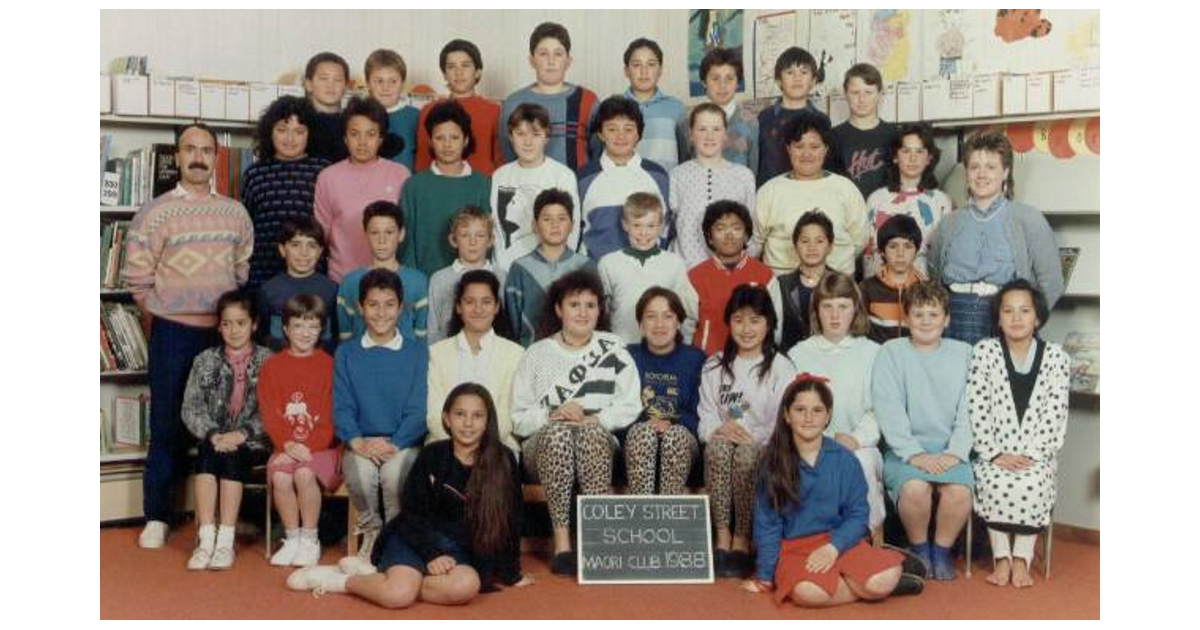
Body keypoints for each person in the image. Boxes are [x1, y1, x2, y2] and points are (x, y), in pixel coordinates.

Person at [122, 123, 254, 549]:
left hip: (224, 335)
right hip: (174, 332)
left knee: (223, 422)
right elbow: (137, 281)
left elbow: (242, 269)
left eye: (205, 149)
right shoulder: (155, 212)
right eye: (189, 149)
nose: (198, 156)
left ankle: (218, 519)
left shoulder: (235, 212)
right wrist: (165, 312)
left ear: (215, 157)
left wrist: (228, 321)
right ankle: (158, 516)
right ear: (176, 156)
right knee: (166, 424)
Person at [288, 384, 533, 604]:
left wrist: (512, 573)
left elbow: (513, 519)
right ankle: (338, 581)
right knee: (398, 595)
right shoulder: (432, 455)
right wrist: (432, 554)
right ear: (447, 419)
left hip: (461, 551)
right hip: (416, 538)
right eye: (460, 414)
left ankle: (383, 578)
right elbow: (412, 515)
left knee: (467, 586)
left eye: (477, 416)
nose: (468, 423)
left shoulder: (504, 460)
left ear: (488, 421)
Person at [744, 376, 925, 607]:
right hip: (794, 549)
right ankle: (868, 586)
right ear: (786, 415)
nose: (808, 418)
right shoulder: (772, 463)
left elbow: (858, 515)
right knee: (808, 594)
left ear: (828, 416)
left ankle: (876, 581)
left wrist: (833, 548)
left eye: (817, 410)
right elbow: (767, 525)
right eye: (800, 409)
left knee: (883, 579)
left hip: (840, 542)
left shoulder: (845, 459)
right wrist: (765, 577)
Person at [510, 270, 641, 576]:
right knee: (558, 435)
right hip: (543, 447)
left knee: (590, 435)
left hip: (596, 439)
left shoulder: (612, 347)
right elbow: (518, 417)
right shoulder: (537, 353)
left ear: (600, 310)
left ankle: (597, 543)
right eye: (574, 304)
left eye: (590, 305)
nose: (583, 312)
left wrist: (594, 419)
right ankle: (562, 545)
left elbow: (631, 403)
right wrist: (551, 415)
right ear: (558, 309)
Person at [968, 279, 1070, 589]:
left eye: (1024, 311)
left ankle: (1023, 559)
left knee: (1032, 481)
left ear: (1037, 317)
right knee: (995, 479)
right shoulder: (984, 352)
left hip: (1036, 454)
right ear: (998, 317)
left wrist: (1031, 455)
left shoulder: (1056, 358)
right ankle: (1002, 558)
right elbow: (977, 406)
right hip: (994, 451)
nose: (1016, 318)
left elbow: (1056, 413)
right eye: (1008, 311)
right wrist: (995, 453)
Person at [872, 281, 974, 580]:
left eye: (933, 314)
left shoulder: (965, 353)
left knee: (958, 493)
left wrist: (955, 453)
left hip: (951, 451)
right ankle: (919, 550)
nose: (926, 321)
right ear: (906, 318)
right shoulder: (891, 352)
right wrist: (914, 454)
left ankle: (941, 551)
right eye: (918, 314)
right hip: (906, 451)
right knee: (916, 489)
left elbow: (970, 410)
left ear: (947, 319)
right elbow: (888, 409)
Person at [928, 131, 1063, 345]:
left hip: (1004, 319)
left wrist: (1023, 324)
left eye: (991, 167)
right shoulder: (948, 224)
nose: (981, 174)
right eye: (974, 167)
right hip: (954, 320)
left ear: (1006, 171)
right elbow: (933, 279)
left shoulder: (1028, 218)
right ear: (966, 173)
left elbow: (1052, 283)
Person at [698, 285, 796, 578]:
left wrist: (750, 437)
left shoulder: (781, 367)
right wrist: (719, 429)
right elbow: (704, 419)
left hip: (763, 448)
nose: (747, 328)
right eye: (739, 319)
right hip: (722, 445)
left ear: (769, 324)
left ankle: (742, 538)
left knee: (745, 454)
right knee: (717, 448)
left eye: (755, 320)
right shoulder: (714, 366)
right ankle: (722, 536)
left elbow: (783, 421)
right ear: (729, 322)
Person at [334, 269, 429, 566]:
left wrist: (395, 443)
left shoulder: (416, 353)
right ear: (360, 307)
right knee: (360, 473)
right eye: (373, 305)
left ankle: (395, 537)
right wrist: (357, 441)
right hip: (361, 442)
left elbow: (418, 409)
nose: (381, 313)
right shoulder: (347, 353)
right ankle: (372, 531)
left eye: (389, 304)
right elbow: (342, 406)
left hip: (402, 442)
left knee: (393, 475)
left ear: (401, 308)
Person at [785, 273, 885, 533]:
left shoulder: (873, 353)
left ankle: (866, 536)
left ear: (856, 310)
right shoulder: (798, 354)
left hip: (858, 445)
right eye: (827, 306)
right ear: (816, 311)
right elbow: (794, 410)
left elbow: (879, 409)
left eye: (843, 307)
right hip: (811, 444)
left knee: (860, 462)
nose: (835, 315)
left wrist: (856, 439)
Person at [180, 290, 272, 570]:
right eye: (227, 324)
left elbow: (273, 411)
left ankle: (225, 540)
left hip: (253, 442)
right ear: (219, 326)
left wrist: (243, 433)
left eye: (241, 323)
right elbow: (191, 407)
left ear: (254, 324)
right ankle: (206, 537)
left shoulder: (269, 361)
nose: (234, 330)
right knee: (209, 451)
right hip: (214, 438)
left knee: (232, 455)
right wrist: (213, 434)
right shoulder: (204, 360)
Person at [257, 294, 342, 567]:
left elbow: (332, 415)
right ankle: (292, 538)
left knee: (305, 472)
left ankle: (309, 538)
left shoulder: (329, 365)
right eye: (298, 326)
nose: (305, 333)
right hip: (285, 446)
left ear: (321, 329)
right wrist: (288, 446)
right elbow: (270, 413)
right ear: (285, 329)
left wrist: (307, 448)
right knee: (281, 479)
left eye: (312, 326)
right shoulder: (272, 366)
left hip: (323, 448)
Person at [753, 115, 868, 277]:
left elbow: (860, 240)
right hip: (782, 285)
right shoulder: (770, 191)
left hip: (836, 286)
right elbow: (755, 243)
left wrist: (831, 267)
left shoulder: (845, 188)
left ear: (826, 150)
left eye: (814, 147)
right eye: (799, 146)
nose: (806, 154)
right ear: (788, 149)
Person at [313, 96, 412, 283]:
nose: (362, 142)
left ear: (381, 138)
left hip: (388, 282)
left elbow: (405, 232)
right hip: (341, 280)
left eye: (371, 134)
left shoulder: (400, 174)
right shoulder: (328, 177)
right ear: (345, 138)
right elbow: (321, 235)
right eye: (355, 133)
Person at [426, 269, 524, 453]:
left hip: (497, 444)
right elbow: (433, 414)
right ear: (458, 307)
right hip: (444, 444)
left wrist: (481, 444)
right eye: (470, 302)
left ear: (496, 307)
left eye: (486, 302)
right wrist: (460, 445)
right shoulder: (437, 353)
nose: (478, 309)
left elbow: (509, 413)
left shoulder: (515, 354)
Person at [241, 95, 332, 294]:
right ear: (269, 132)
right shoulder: (254, 174)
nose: (290, 139)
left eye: (299, 132)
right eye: (282, 130)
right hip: (263, 274)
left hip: (311, 274)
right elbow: (246, 229)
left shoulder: (324, 171)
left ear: (310, 134)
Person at [625, 288, 706, 495]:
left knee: (674, 437)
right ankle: (641, 516)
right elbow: (618, 408)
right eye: (651, 317)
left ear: (678, 322)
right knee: (643, 434)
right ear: (640, 324)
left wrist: (672, 424)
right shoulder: (627, 356)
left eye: (668, 316)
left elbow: (703, 413)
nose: (659, 324)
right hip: (638, 440)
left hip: (682, 440)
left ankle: (669, 521)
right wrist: (646, 425)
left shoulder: (696, 359)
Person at [400, 99, 492, 277]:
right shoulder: (415, 186)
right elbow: (406, 243)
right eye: (440, 138)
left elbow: (487, 238)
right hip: (425, 279)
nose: (447, 145)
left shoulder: (482, 184)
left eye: (454, 137)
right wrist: (414, 283)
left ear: (465, 140)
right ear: (430, 141)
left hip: (472, 283)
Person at [491, 104, 582, 274]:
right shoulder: (500, 176)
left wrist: (560, 267)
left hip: (551, 270)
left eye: (536, 134)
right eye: (520, 134)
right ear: (510, 136)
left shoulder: (563, 175)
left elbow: (572, 228)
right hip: (506, 269)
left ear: (546, 136)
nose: (528, 142)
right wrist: (501, 268)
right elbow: (496, 227)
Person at [577, 95, 670, 261]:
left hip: (647, 271)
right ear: (600, 134)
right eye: (612, 129)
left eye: (628, 129)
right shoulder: (584, 177)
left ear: (638, 134)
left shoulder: (657, 175)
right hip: (595, 272)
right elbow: (575, 228)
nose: (621, 136)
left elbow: (666, 227)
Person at [498, 21, 598, 173]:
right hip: (527, 190)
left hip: (576, 192)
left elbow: (598, 152)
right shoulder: (514, 103)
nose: (551, 62)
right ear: (532, 60)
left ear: (568, 61)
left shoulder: (587, 100)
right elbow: (506, 154)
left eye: (558, 54)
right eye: (543, 54)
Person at [598, 193, 698, 343]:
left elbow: (687, 310)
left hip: (662, 348)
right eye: (637, 225)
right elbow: (600, 312)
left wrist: (684, 342)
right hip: (621, 347)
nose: (643, 233)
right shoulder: (608, 263)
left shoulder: (674, 264)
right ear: (625, 225)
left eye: (650, 226)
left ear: (661, 227)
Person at [687, 200, 780, 356]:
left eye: (736, 228)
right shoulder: (695, 277)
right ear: (709, 237)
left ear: (746, 235)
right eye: (720, 228)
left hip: (754, 363)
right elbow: (686, 328)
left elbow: (776, 328)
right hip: (705, 363)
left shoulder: (765, 275)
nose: (729, 235)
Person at [669, 103, 757, 267]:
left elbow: (750, 228)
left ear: (725, 134)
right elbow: (669, 225)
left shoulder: (743, 175)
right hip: (686, 269)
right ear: (691, 134)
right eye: (702, 129)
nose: (709, 136)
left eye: (716, 129)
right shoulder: (677, 175)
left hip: (730, 268)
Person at [503, 188, 595, 346]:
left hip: (579, 356)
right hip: (532, 354)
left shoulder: (586, 266)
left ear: (572, 225)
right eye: (547, 219)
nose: (555, 225)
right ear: (534, 225)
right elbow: (513, 325)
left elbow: (596, 318)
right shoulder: (520, 268)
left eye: (562, 219)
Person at [863, 123, 950, 278]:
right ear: (895, 157)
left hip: (924, 292)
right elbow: (869, 254)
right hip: (883, 289)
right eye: (906, 151)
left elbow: (944, 255)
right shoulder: (877, 199)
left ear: (929, 158)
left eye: (919, 151)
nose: (912, 158)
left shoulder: (941, 201)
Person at [337, 201, 429, 345]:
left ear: (401, 234)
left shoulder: (418, 282)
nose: (382, 240)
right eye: (375, 232)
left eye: (389, 232)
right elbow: (345, 336)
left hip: (405, 364)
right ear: (365, 234)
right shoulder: (350, 282)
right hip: (361, 362)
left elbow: (421, 337)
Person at [415, 39, 503, 175]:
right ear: (444, 74)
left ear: (478, 72)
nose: (458, 72)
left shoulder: (494, 111)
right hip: (440, 187)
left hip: (482, 189)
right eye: (451, 67)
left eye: (465, 65)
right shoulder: (429, 110)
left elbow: (499, 160)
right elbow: (423, 160)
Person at [257, 217, 338, 352]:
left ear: (320, 252)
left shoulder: (331, 289)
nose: (304, 253)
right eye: (296, 245)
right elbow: (263, 336)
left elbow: (335, 336)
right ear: (282, 249)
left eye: (311, 245)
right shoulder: (268, 290)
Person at [427, 206, 506, 344]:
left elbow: (506, 323)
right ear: (453, 240)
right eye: (465, 235)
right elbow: (434, 326)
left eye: (480, 235)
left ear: (490, 240)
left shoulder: (502, 277)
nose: (473, 242)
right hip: (449, 354)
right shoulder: (439, 279)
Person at [757, 46, 833, 187]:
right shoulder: (764, 118)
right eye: (790, 72)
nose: (797, 78)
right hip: (770, 195)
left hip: (808, 192)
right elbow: (756, 160)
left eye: (804, 72)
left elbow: (825, 165)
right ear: (779, 80)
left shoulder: (821, 120)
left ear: (813, 81)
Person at [678, 47, 758, 178]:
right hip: (697, 194)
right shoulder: (687, 119)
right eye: (715, 79)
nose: (722, 85)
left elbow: (753, 169)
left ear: (738, 83)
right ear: (704, 82)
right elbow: (683, 167)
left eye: (730, 78)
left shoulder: (750, 121)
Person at [828, 63, 899, 200]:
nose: (862, 99)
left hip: (887, 211)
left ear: (879, 94)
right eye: (855, 92)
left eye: (868, 92)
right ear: (845, 94)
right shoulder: (833, 137)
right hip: (848, 213)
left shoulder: (894, 134)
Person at [621, 37, 686, 171]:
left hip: (666, 187)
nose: (644, 71)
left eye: (651, 64)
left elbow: (685, 156)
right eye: (636, 65)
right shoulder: (614, 107)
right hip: (626, 186)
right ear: (626, 71)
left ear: (660, 70)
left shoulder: (676, 108)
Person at [860, 214, 926, 344]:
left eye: (908, 246)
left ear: (917, 251)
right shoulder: (867, 288)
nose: (900, 254)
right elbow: (859, 334)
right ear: (882, 251)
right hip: (878, 358)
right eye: (893, 246)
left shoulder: (926, 289)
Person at [775, 211, 835, 351]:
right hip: (789, 359)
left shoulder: (841, 283)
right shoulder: (781, 284)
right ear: (795, 246)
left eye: (819, 241)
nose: (811, 247)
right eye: (805, 241)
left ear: (830, 246)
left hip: (831, 359)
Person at [364, 48, 421, 173]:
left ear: (403, 83)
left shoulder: (416, 117)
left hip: (404, 188)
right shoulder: (358, 117)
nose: (386, 87)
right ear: (368, 83)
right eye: (379, 81)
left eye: (393, 81)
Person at [303, 51, 351, 163]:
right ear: (308, 84)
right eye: (323, 78)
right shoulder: (298, 123)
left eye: (338, 80)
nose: (331, 85)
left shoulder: (354, 123)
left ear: (346, 86)